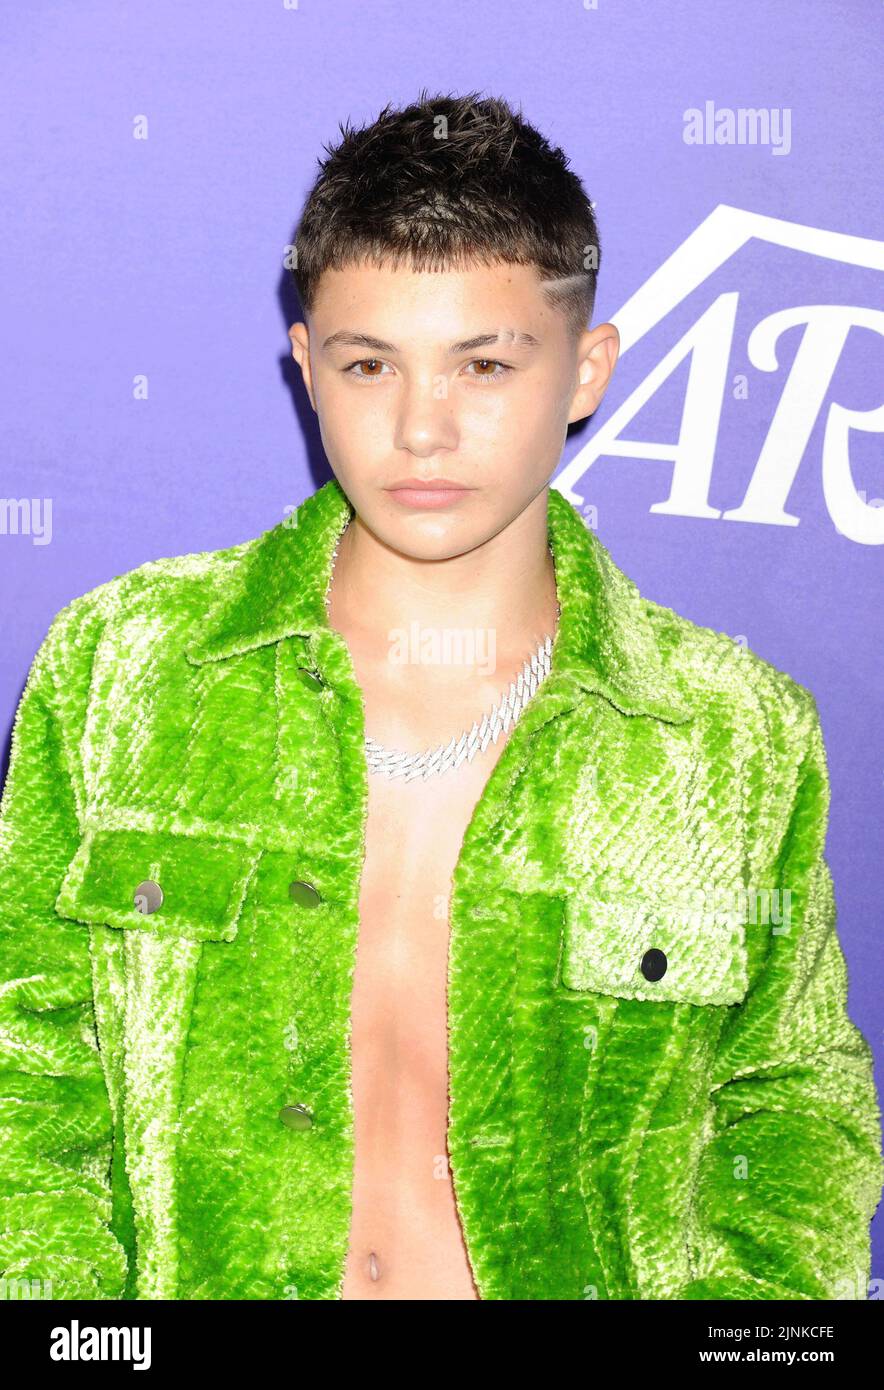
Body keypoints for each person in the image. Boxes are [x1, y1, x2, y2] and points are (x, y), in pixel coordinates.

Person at [0, 90, 880, 1302]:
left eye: (483, 363)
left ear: (585, 369)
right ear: (307, 366)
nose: (422, 427)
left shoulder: (729, 732)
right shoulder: (123, 665)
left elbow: (789, 1115)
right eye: (369, 364)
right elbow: (26, 1071)